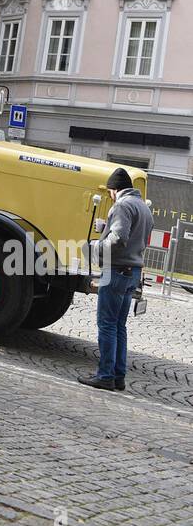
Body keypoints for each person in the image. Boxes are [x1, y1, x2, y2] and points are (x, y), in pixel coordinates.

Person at [77, 167, 153, 392]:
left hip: (117, 270)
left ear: (113, 190)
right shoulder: (143, 207)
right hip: (134, 270)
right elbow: (138, 238)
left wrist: (94, 247)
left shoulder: (121, 205)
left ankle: (106, 375)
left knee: (107, 324)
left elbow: (119, 238)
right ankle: (118, 376)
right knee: (119, 325)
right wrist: (106, 228)